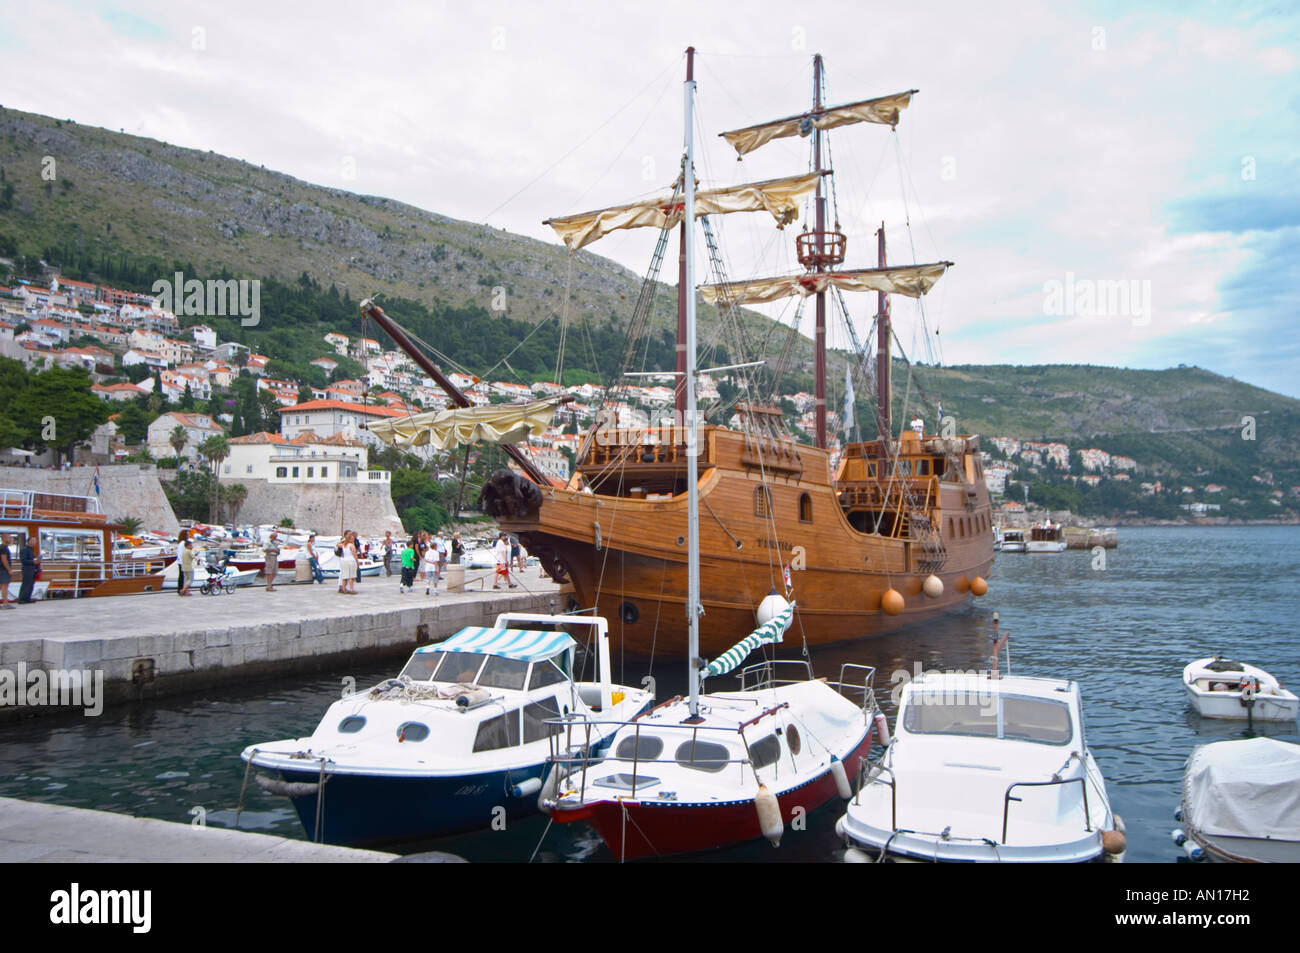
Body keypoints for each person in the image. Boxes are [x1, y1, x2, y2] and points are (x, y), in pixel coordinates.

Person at [17, 536, 39, 604]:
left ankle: (27, 598)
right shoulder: (24, 549)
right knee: (26, 584)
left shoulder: (31, 549)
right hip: (27, 569)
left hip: (32, 569)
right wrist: (33, 561)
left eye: (35, 541)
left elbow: (31, 558)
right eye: (33, 540)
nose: (35, 542)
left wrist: (37, 559)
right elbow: (23, 560)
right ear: (29, 541)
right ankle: (22, 599)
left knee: (30, 584)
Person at [340, 530, 358, 595]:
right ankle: (351, 589)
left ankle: (344, 589)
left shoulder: (344, 545)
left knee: (345, 576)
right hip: (351, 561)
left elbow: (338, 545)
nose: (353, 539)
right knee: (351, 576)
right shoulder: (351, 545)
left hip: (344, 561)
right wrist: (357, 562)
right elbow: (354, 554)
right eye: (352, 538)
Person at [0, 533, 13, 609]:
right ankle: (5, 603)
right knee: (4, 586)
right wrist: (9, 569)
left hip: (2, 569)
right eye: (9, 537)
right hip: (3, 569)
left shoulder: (4, 547)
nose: (11, 539)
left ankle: (5, 602)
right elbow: (4, 559)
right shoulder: (3, 547)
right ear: (4, 538)